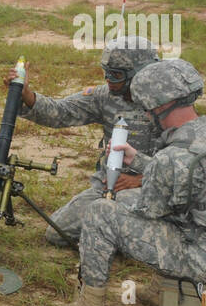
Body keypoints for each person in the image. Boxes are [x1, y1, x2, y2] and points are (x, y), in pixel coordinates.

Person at [40, 59, 206, 306]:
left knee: (101, 212)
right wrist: (139, 160)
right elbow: (188, 175)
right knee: (154, 208)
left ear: (156, 106)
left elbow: (152, 208)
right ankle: (160, 290)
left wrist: (117, 193)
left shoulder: (172, 158)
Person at [10, 35, 162, 246]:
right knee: (58, 232)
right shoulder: (105, 96)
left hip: (158, 188)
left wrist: (141, 180)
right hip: (110, 186)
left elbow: (184, 162)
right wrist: (27, 94)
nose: (109, 79)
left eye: (116, 74)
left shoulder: (167, 103)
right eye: (106, 72)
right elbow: (61, 112)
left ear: (139, 74)